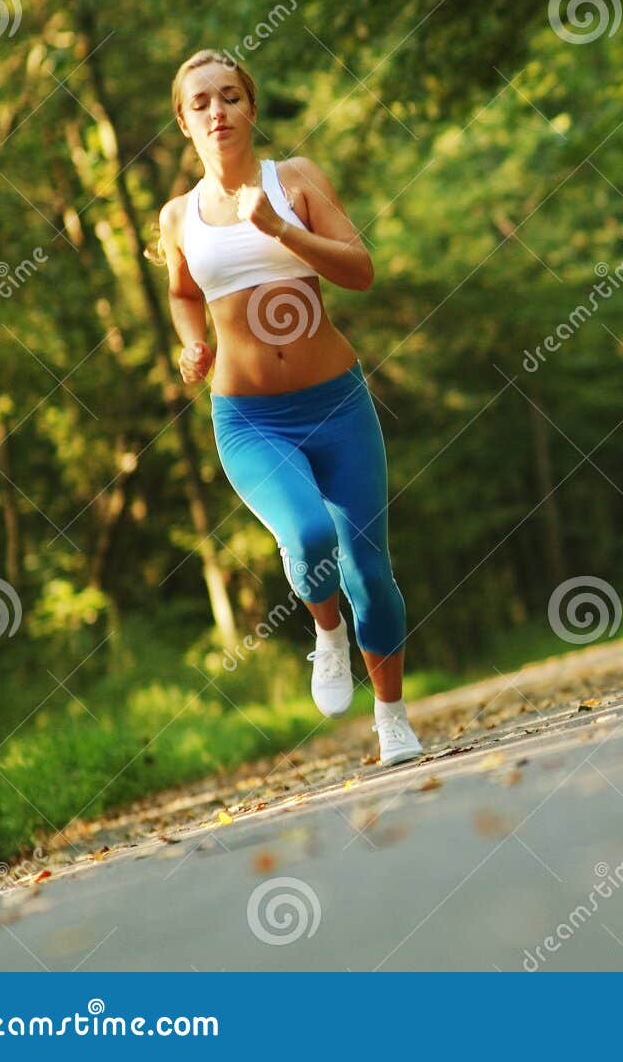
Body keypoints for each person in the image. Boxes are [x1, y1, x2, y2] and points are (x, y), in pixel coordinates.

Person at [146, 48, 423, 766]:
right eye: (201, 101)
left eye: (231, 97)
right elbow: (181, 291)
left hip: (337, 404)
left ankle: (391, 717)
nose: (218, 111)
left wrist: (280, 229)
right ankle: (326, 633)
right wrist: (191, 344)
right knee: (306, 537)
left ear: (251, 108)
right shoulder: (179, 216)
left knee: (372, 569)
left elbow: (359, 270)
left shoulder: (293, 180)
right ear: (183, 121)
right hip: (249, 418)